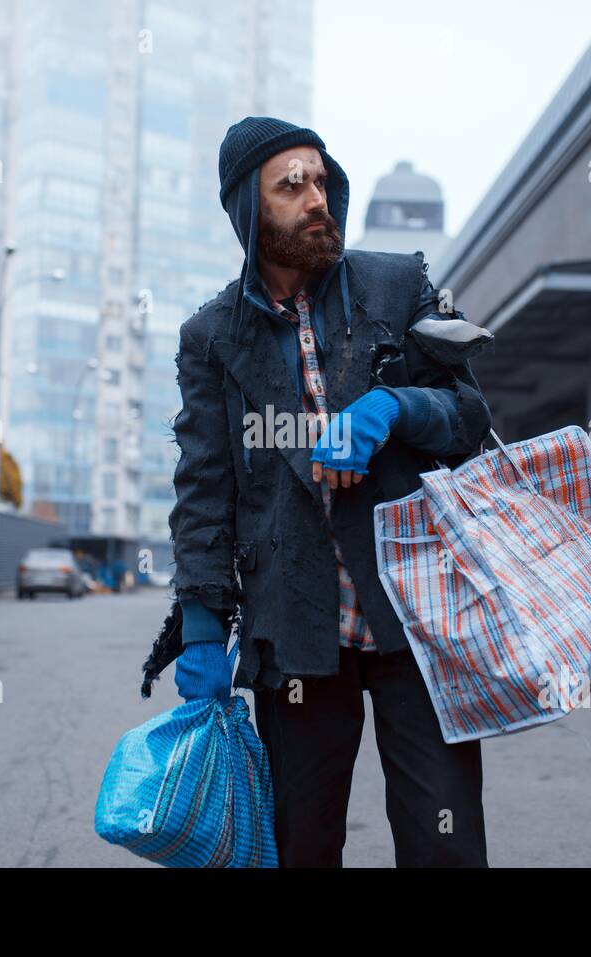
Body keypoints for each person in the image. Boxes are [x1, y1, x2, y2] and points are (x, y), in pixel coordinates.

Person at [167, 116, 492, 867]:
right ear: (250, 210)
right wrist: (198, 626)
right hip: (297, 626)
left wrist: (391, 409)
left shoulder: (396, 283)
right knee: (302, 846)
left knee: (447, 843)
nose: (317, 198)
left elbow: (469, 416)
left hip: (416, 614)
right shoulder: (212, 337)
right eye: (292, 186)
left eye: (321, 180)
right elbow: (204, 488)